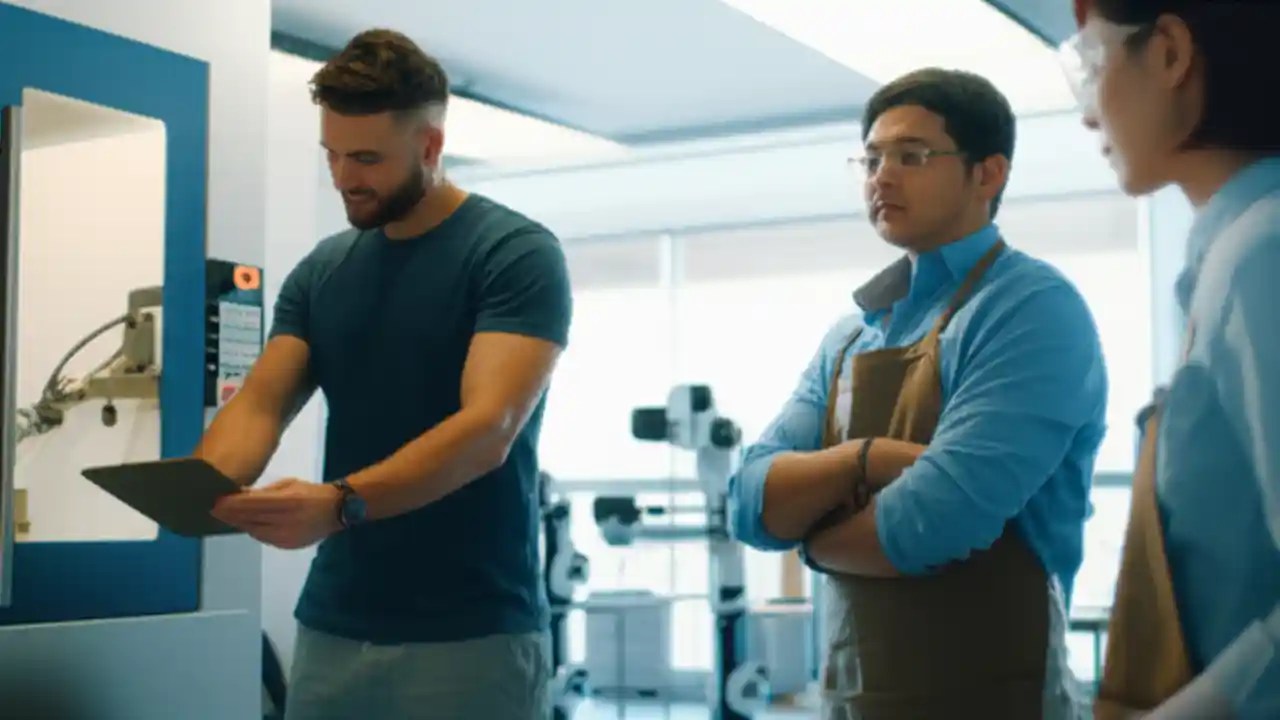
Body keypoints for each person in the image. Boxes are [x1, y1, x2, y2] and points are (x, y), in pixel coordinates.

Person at [197, 29, 572, 720]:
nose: (342, 176)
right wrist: (205, 485)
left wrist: (340, 503)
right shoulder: (324, 270)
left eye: (366, 158)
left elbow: (488, 428)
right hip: (335, 624)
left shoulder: (513, 254)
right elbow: (260, 404)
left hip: (471, 633)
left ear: (429, 147)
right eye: (332, 154)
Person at [727, 67, 1108, 719]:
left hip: (995, 698)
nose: (881, 176)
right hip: (852, 698)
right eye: (871, 158)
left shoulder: (1029, 308)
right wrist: (867, 459)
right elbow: (748, 503)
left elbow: (927, 526)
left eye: (912, 156)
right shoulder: (851, 334)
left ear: (988, 174)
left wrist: (812, 540)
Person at [1062, 1, 1280, 718]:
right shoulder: (1235, 253)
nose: (1090, 114)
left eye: (1093, 63)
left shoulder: (1261, 255)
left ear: (1170, 51)